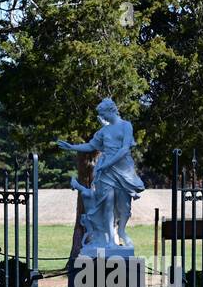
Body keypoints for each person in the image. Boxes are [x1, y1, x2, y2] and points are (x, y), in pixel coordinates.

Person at [56, 98, 145, 248]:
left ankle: (122, 231)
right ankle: (110, 240)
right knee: (107, 205)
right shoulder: (103, 131)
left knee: (124, 208)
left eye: (103, 113)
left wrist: (108, 163)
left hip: (122, 170)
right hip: (106, 172)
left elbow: (124, 149)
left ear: (111, 110)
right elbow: (91, 145)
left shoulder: (126, 126)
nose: (102, 117)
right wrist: (72, 147)